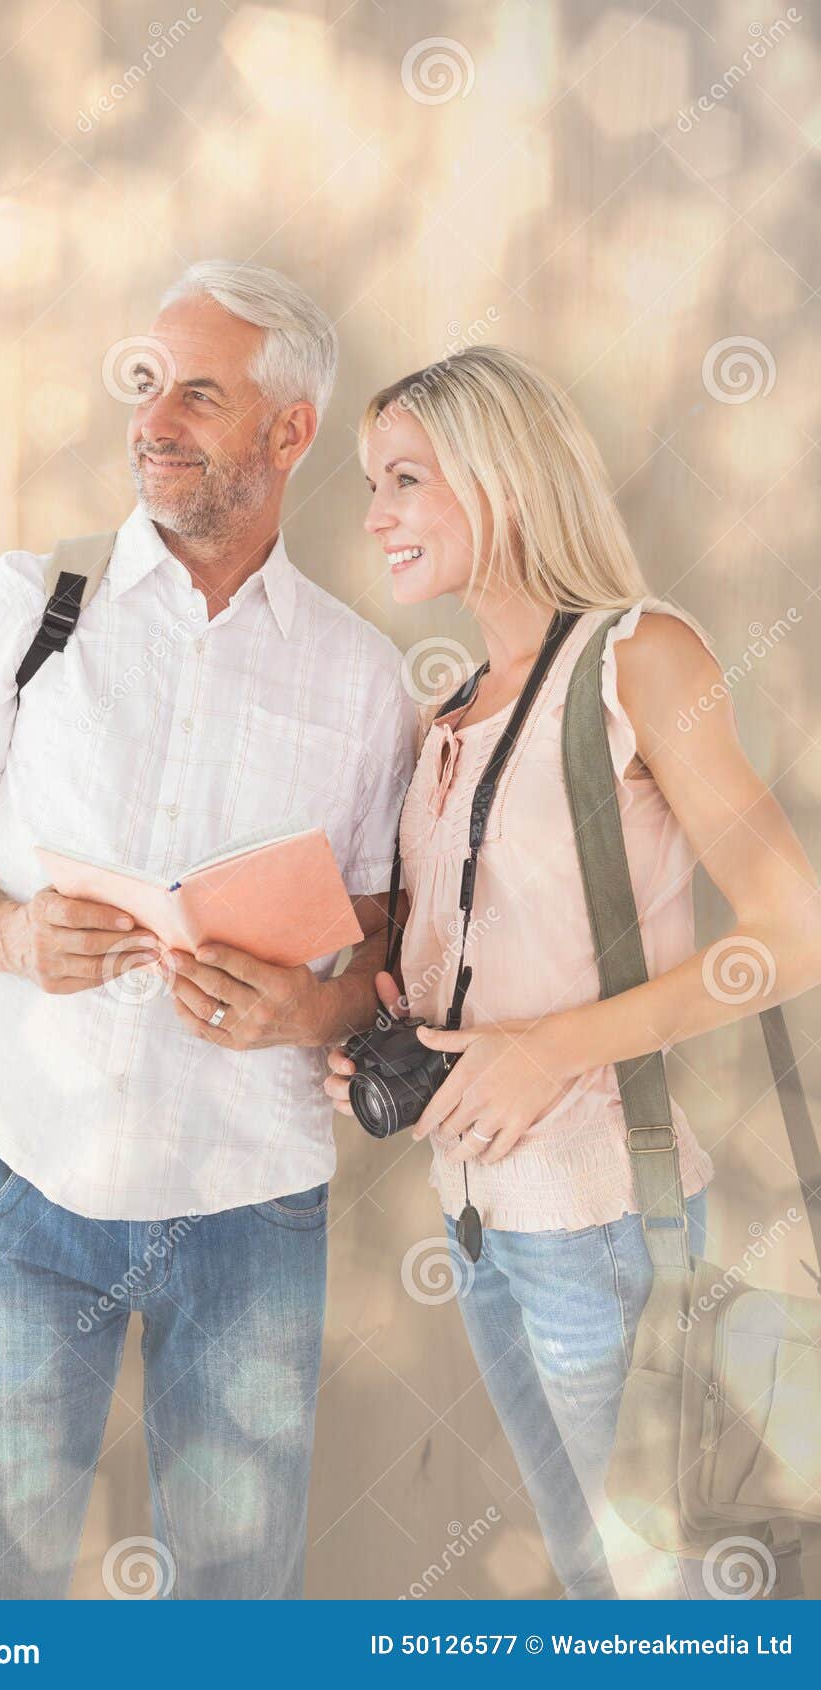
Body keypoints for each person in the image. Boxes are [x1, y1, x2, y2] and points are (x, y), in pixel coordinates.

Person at [0, 261, 417, 1600]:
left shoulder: (360, 676)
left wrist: (315, 1009)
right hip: (30, 1182)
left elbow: (381, 937)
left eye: (200, 390)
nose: (154, 418)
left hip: (249, 1199)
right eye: (146, 383)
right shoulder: (29, 604)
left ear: (289, 431)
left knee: (236, 1598)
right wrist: (11, 939)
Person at [324, 346, 821, 1599]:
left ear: (501, 477)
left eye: (405, 479)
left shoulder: (636, 659)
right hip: (481, 1221)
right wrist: (387, 1044)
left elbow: (795, 928)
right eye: (369, 483)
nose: (374, 514)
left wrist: (552, 1047)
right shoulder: (448, 711)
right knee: (601, 1594)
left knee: (657, 1608)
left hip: (606, 1225)